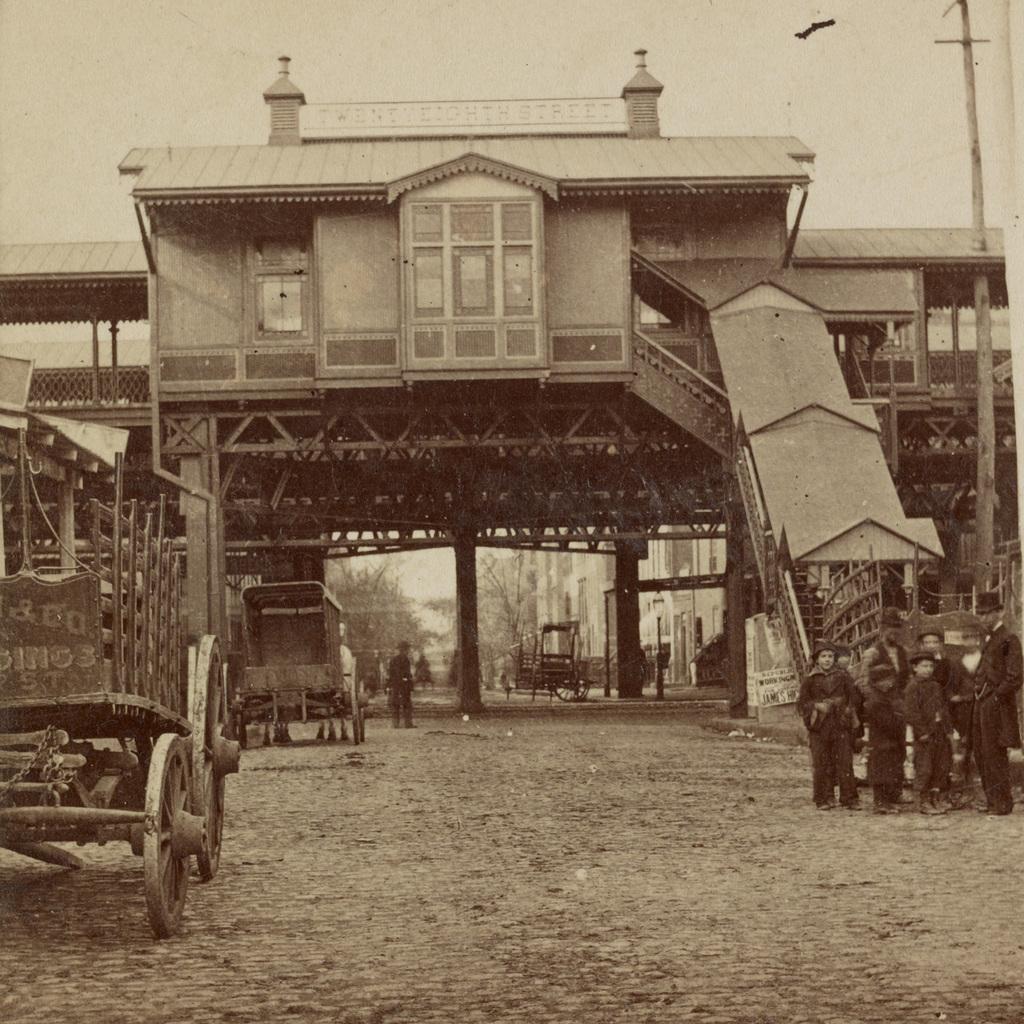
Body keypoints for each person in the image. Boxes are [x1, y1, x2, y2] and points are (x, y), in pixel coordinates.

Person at [971, 591, 1023, 816]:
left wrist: (995, 697)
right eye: (980, 614)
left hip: (996, 704)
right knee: (982, 752)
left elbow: (1016, 677)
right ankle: (992, 799)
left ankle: (1002, 802)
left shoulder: (1009, 639)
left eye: (987, 613)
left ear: (999, 612)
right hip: (981, 702)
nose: (983, 618)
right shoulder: (988, 638)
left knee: (994, 754)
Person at [798, 641, 860, 810]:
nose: (827, 660)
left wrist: (847, 708)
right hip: (819, 726)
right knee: (821, 762)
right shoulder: (810, 679)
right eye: (823, 656)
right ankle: (824, 798)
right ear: (817, 659)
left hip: (840, 724)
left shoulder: (843, 676)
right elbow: (802, 704)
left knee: (845, 761)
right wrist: (816, 706)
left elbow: (854, 697)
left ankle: (849, 798)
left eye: (830, 656)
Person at [919, 626, 975, 805]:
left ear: (941, 644)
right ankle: (927, 792)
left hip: (947, 710)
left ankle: (946, 789)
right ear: (921, 645)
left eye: (935, 642)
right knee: (928, 752)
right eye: (927, 642)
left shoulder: (950, 663)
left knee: (948, 751)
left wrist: (953, 698)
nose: (931, 645)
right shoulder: (918, 663)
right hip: (926, 713)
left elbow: (955, 683)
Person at [903, 649, 952, 814]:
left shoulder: (936, 685)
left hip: (939, 732)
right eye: (924, 666)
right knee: (925, 767)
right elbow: (912, 712)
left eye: (931, 666)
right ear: (915, 668)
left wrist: (947, 728)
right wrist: (921, 731)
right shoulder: (913, 687)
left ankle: (935, 799)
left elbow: (943, 708)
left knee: (940, 766)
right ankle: (923, 801)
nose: (928, 669)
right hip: (924, 734)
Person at [861, 663, 905, 814]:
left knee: (888, 771)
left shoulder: (883, 696)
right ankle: (880, 803)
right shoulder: (876, 700)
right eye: (886, 680)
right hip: (882, 742)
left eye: (891, 679)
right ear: (877, 682)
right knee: (881, 773)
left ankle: (886, 801)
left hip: (887, 742)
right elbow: (887, 722)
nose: (890, 683)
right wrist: (899, 719)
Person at [388, 639, 415, 729]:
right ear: (404, 649)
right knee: (406, 703)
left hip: (395, 684)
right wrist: (408, 680)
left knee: (396, 703)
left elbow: (391, 673)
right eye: (407, 649)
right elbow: (406, 673)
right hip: (404, 684)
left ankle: (395, 724)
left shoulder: (393, 660)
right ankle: (408, 724)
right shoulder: (405, 660)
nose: (407, 651)